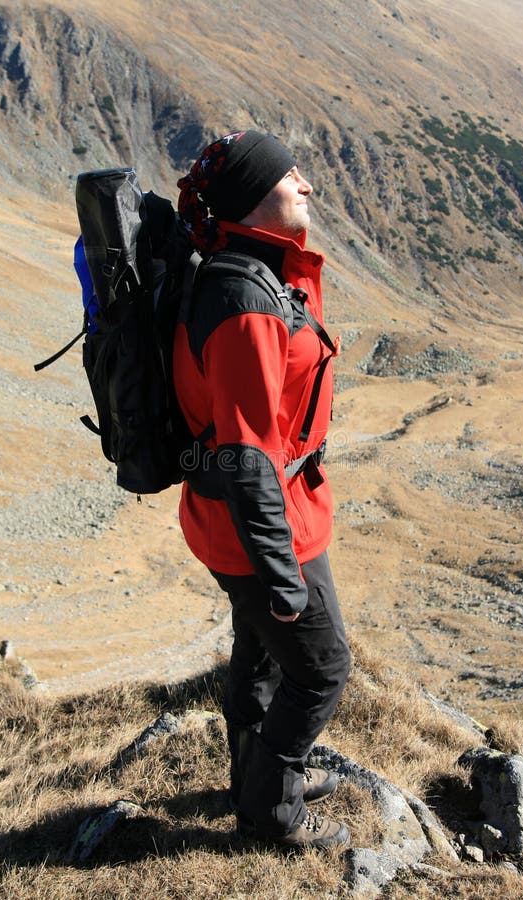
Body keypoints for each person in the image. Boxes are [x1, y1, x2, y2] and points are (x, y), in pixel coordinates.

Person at [173, 130, 351, 850]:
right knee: (323, 668)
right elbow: (249, 456)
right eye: (290, 177)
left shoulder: (250, 273)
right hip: (262, 524)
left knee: (263, 651)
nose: (306, 186)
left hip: (239, 518)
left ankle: (254, 777)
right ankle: (274, 814)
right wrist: (282, 576)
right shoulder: (246, 300)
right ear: (253, 199)